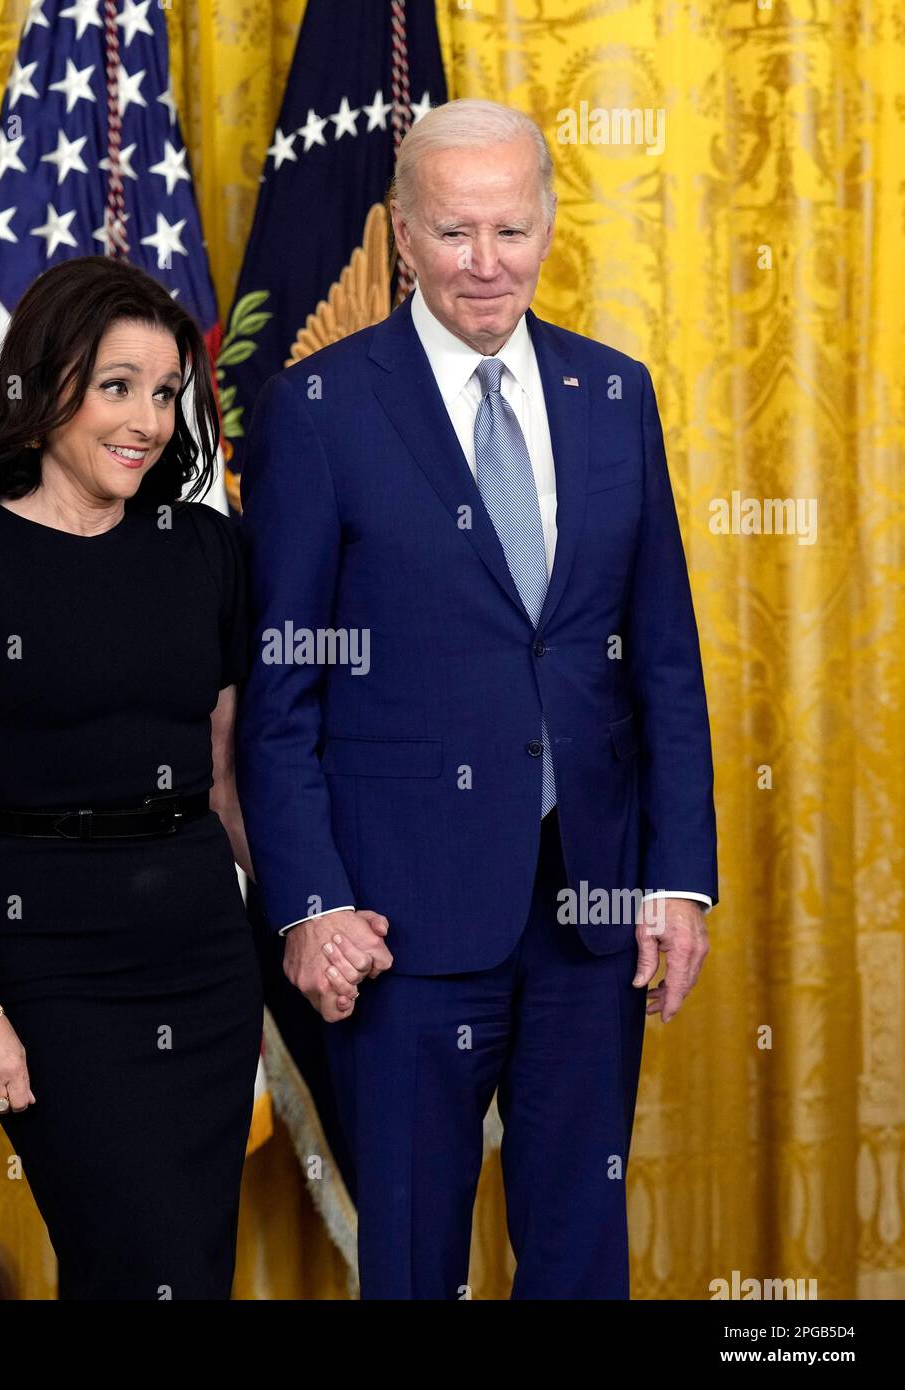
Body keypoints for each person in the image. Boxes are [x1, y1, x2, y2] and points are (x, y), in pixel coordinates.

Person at [236, 98, 717, 1299]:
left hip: (590, 910)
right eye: (455, 233)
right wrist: (307, 903)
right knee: (409, 1264)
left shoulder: (618, 393)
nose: (486, 262)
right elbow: (281, 685)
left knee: (579, 1260)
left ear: (549, 224)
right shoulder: (319, 409)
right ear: (402, 235)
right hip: (398, 924)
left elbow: (663, 657)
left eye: (511, 228)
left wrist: (676, 875)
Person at [0, 255, 263, 1300]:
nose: (150, 420)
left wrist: (302, 918)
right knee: (137, 1254)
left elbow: (223, 773)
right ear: (47, 385)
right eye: (119, 385)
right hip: (51, 963)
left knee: (179, 1266)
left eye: (167, 393)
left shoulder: (203, 549)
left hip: (203, 959)